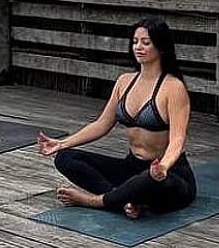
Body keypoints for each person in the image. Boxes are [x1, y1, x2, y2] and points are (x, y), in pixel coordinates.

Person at [36, 16, 196, 219]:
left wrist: (163, 166)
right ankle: (125, 201)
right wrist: (61, 144)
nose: (138, 47)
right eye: (135, 42)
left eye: (146, 42)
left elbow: (177, 140)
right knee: (66, 158)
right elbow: (102, 124)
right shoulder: (124, 82)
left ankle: (97, 201)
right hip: (132, 168)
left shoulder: (173, 88)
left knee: (149, 179)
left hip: (169, 175)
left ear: (161, 46)